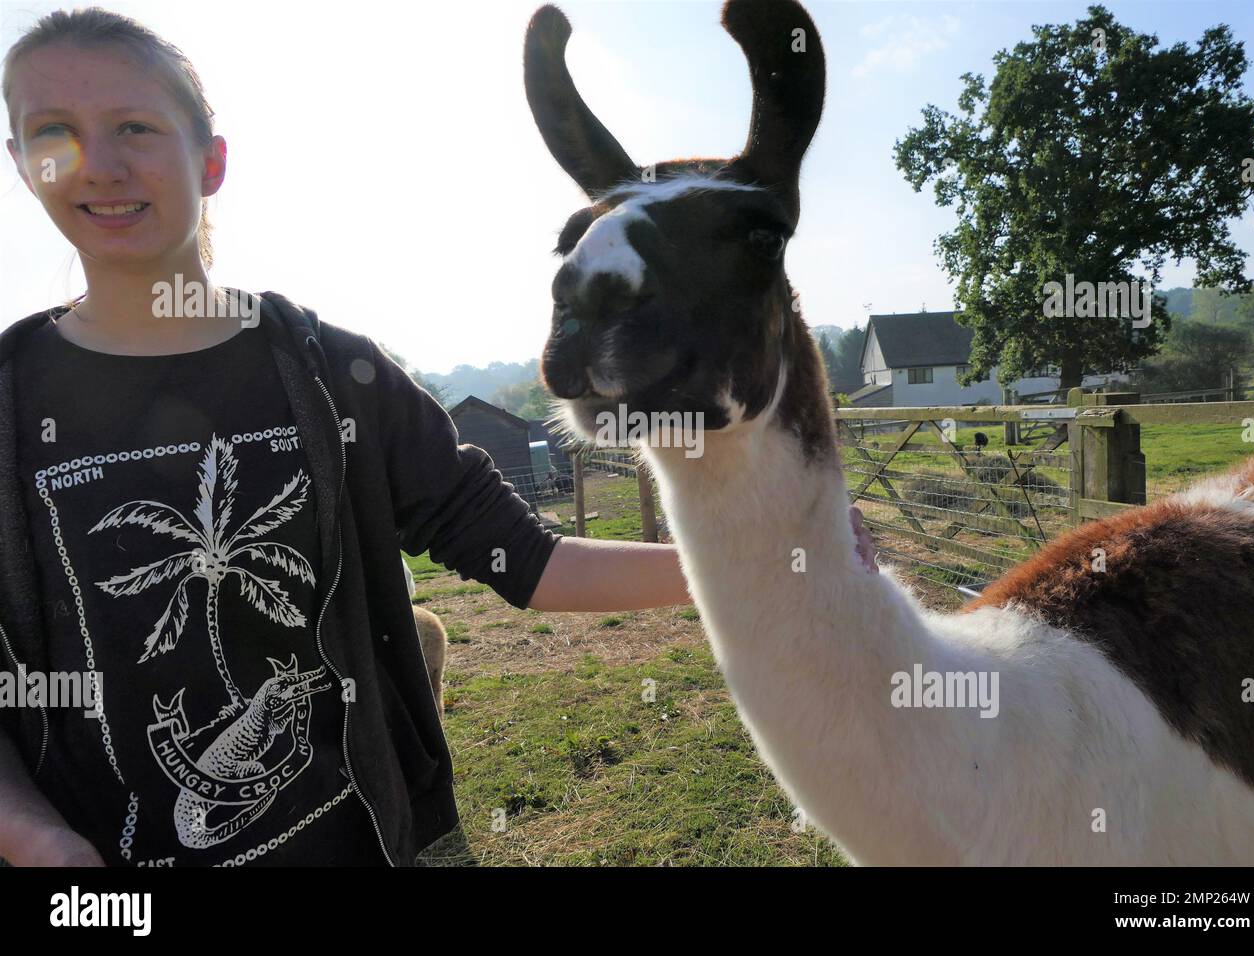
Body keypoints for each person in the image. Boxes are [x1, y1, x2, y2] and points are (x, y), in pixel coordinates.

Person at [0, 7, 876, 867]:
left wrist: (765, 564)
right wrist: (35, 839)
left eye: (135, 126)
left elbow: (521, 561)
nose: (99, 164)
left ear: (212, 159)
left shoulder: (334, 375)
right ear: (19, 162)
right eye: (53, 133)